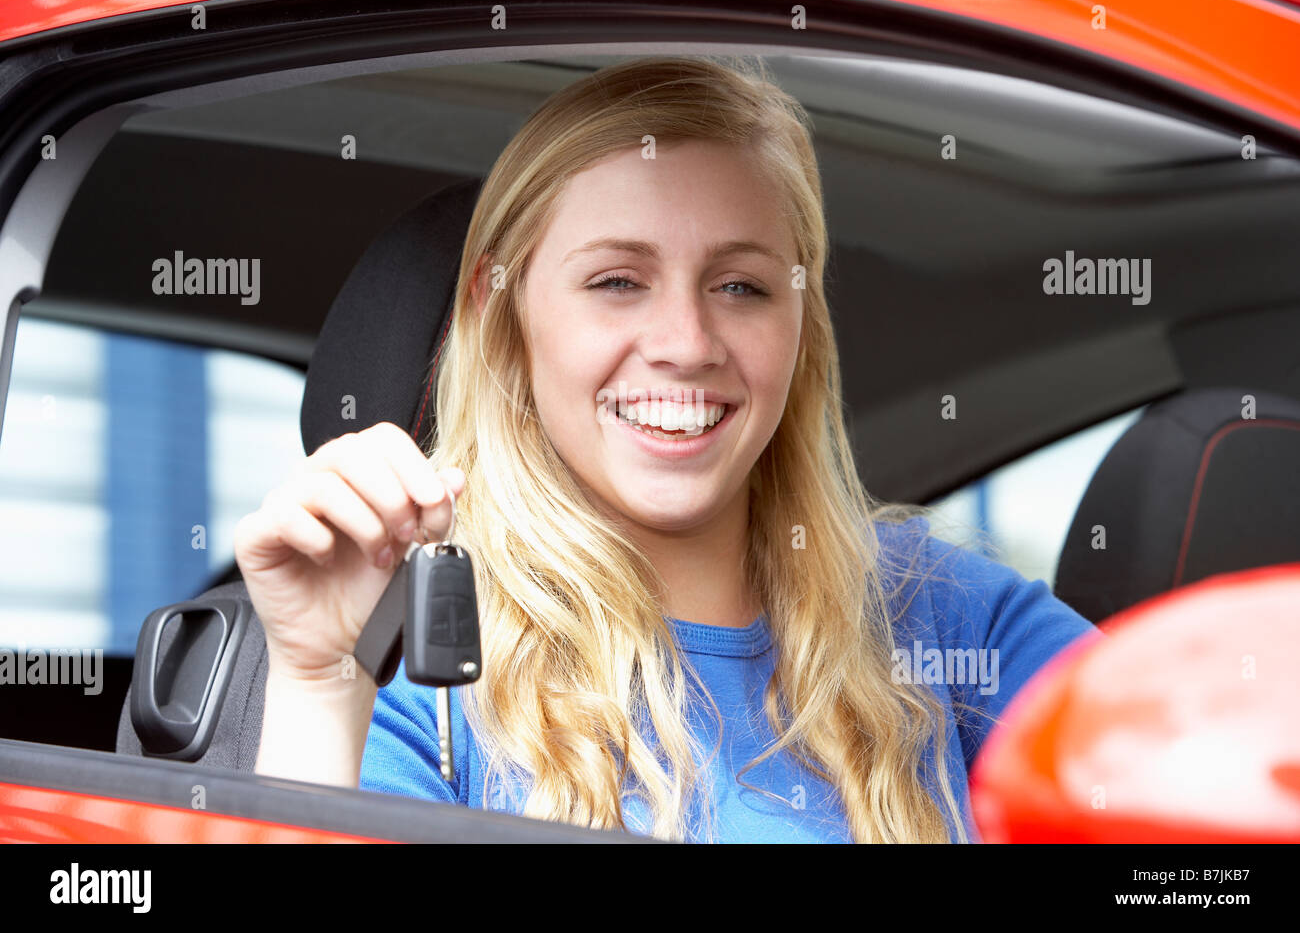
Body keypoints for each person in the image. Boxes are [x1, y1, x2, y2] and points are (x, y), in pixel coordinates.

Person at [234, 56, 1098, 843]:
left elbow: (1191, 784)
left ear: (803, 327)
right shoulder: (436, 682)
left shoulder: (945, 616)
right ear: (498, 308)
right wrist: (315, 682)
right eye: (617, 281)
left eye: (740, 286)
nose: (686, 342)